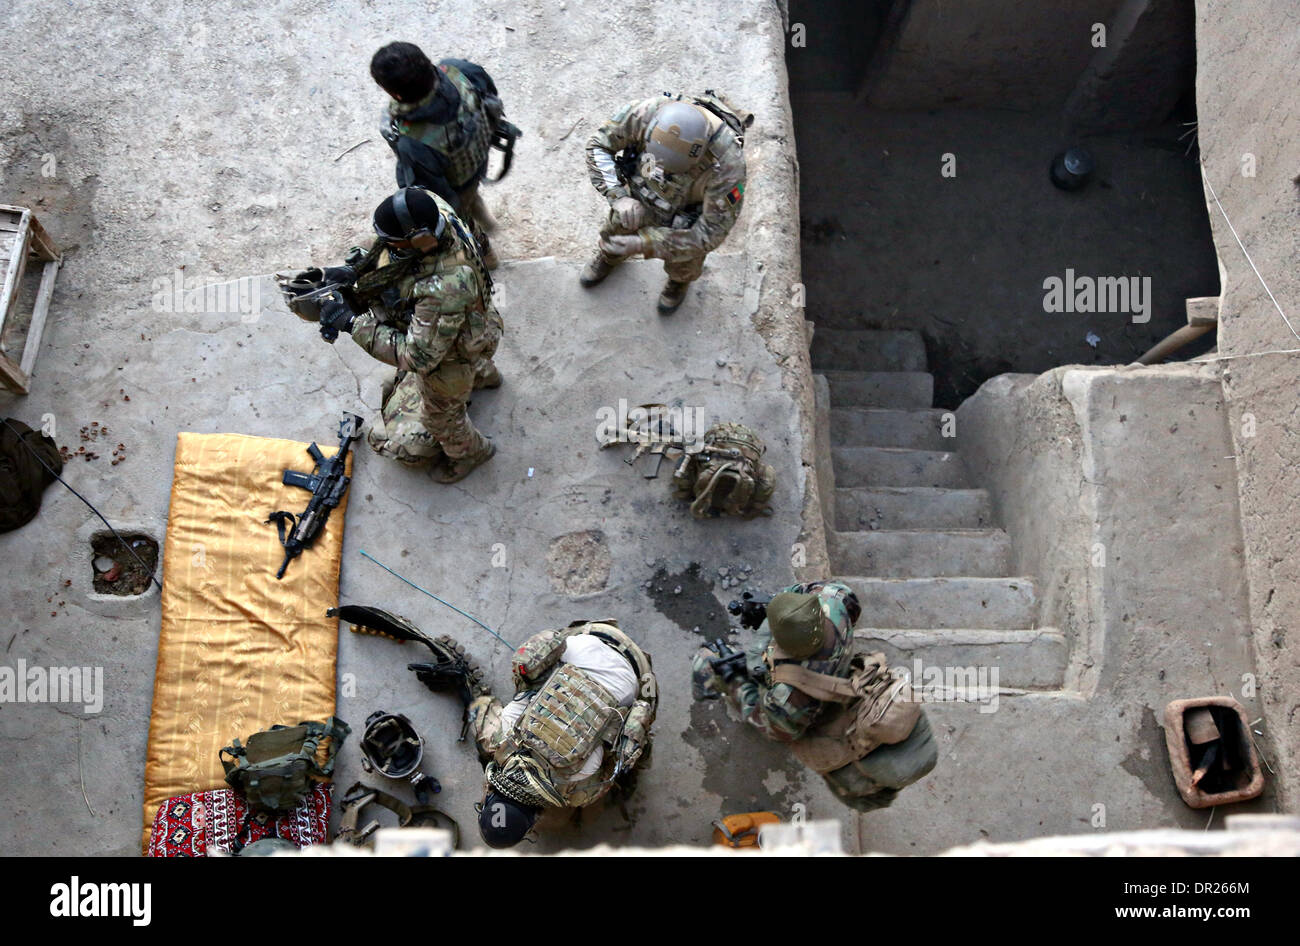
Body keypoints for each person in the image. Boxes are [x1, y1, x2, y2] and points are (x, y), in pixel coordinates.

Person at [692, 580, 937, 813]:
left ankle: (867, 794)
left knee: (853, 785)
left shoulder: (787, 700)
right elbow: (837, 599)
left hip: (848, 734)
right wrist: (783, 607)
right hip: (880, 705)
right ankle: (880, 791)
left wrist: (732, 681)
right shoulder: (832, 602)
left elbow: (772, 727)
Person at [316, 186, 501, 482]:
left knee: (440, 419)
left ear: (421, 241)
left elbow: (418, 357)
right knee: (473, 355)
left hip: (452, 354)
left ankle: (471, 453)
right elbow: (398, 256)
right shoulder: (435, 207)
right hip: (481, 325)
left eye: (394, 243)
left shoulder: (443, 287)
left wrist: (353, 323)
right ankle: (485, 374)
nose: (388, 246)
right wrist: (357, 270)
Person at [467, 621, 656, 848]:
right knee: (526, 684)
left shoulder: (579, 793)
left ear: (534, 819)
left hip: (636, 675)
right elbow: (484, 707)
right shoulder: (501, 737)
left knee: (626, 757)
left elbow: (611, 770)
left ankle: (642, 761)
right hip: (588, 637)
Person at [581, 92, 750, 313]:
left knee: (685, 262)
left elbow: (710, 233)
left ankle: (678, 282)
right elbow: (598, 146)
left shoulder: (728, 167)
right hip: (639, 197)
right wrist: (618, 196)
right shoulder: (644, 114)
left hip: (685, 223)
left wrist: (647, 243)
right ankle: (609, 257)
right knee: (614, 233)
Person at [371, 41, 517, 269]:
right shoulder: (459, 70)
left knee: (463, 220)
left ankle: (487, 255)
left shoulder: (414, 141)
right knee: (472, 195)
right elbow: (490, 97)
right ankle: (485, 219)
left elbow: (431, 194)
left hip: (455, 187)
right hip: (478, 161)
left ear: (396, 95)